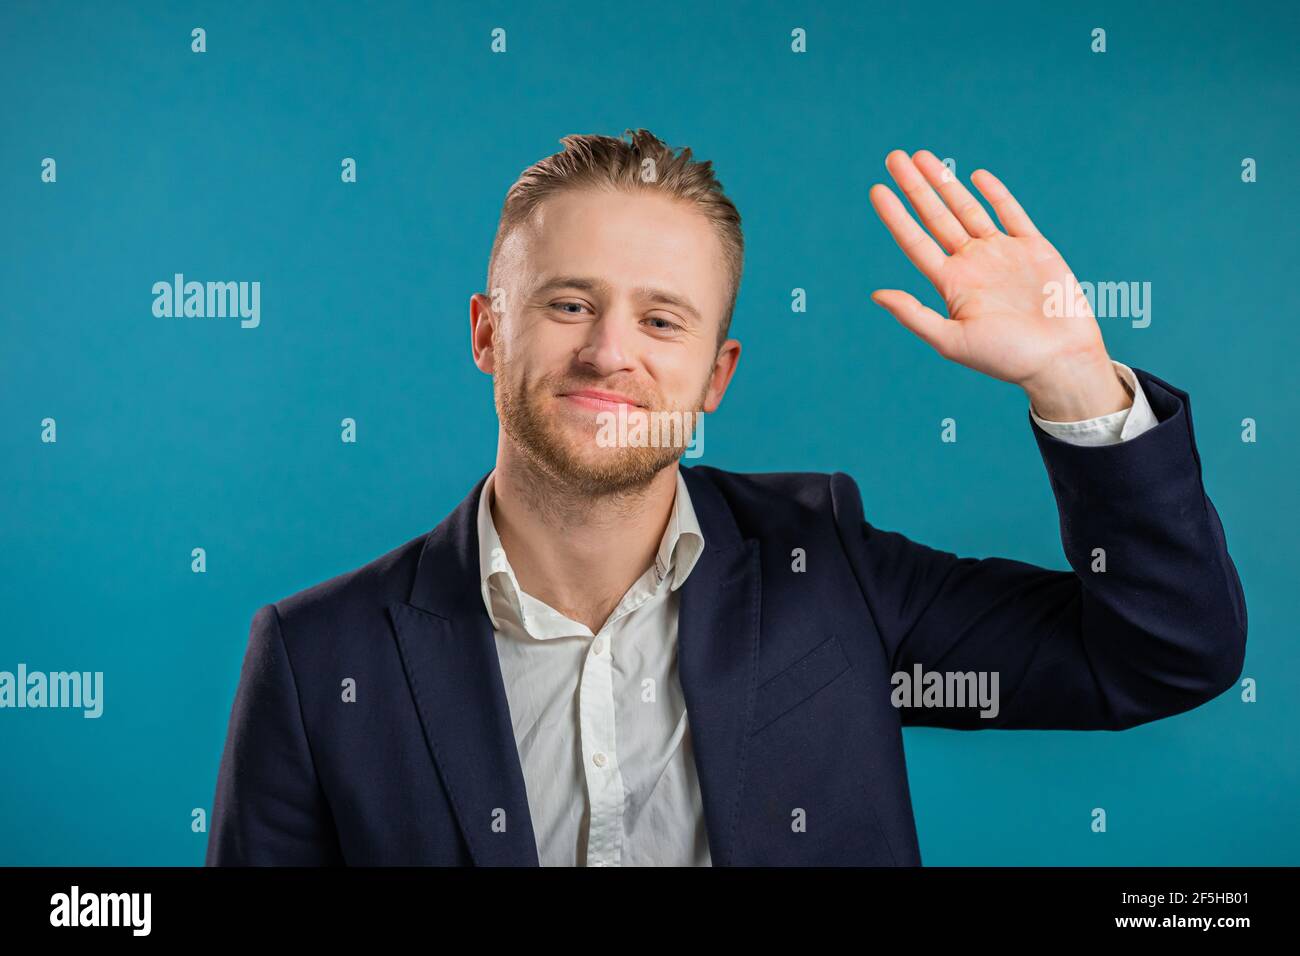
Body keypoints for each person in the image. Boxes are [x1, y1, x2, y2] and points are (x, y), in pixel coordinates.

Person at [206, 129, 1246, 866]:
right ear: (487, 331)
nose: (610, 351)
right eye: (569, 303)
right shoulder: (318, 658)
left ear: (716, 376)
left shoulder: (830, 574)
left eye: (663, 321)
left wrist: (1071, 378)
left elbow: (1162, 654)